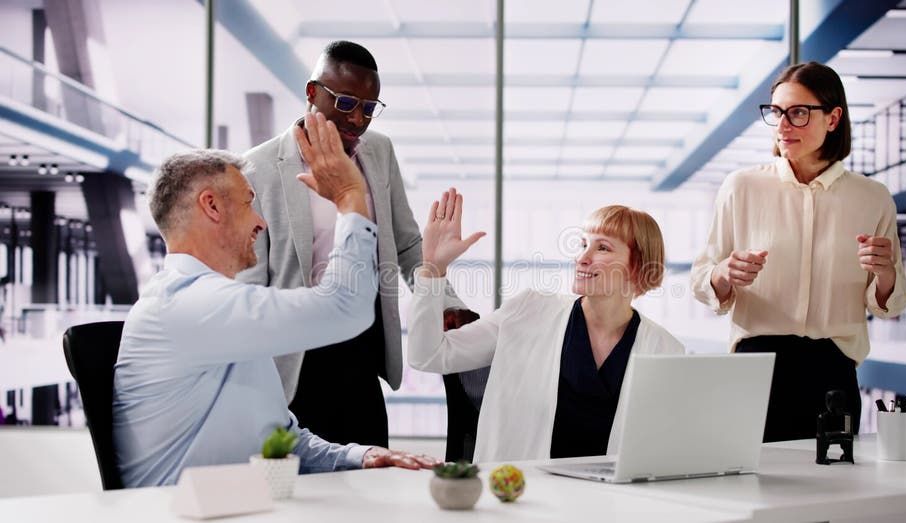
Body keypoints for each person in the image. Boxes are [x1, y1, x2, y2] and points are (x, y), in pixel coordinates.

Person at [113, 114, 438, 488]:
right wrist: (350, 198)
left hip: (240, 508)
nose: (262, 222)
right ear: (212, 207)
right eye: (249, 203)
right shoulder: (185, 305)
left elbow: (285, 441)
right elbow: (344, 308)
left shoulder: (228, 315)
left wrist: (360, 456)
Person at [238, 40, 478, 448]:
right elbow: (249, 281)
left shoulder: (379, 152)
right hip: (295, 357)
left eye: (369, 108)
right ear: (312, 93)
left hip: (361, 346)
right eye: (346, 101)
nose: (357, 118)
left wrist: (447, 302)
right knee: (301, 492)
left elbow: (404, 244)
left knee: (371, 475)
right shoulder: (256, 168)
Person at [690, 62, 906, 443]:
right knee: (749, 488)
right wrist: (725, 272)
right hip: (755, 368)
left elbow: (888, 302)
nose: (783, 125)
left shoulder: (872, 198)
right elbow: (701, 277)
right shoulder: (741, 187)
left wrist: (886, 274)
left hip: (833, 372)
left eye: (798, 113)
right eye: (776, 112)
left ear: (833, 117)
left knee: (834, 490)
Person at [407, 188, 684, 462]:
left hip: (613, 501)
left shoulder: (665, 350)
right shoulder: (529, 311)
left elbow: (668, 447)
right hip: (526, 493)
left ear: (637, 266)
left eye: (602, 248)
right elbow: (429, 355)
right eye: (583, 244)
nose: (582, 258)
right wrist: (433, 267)